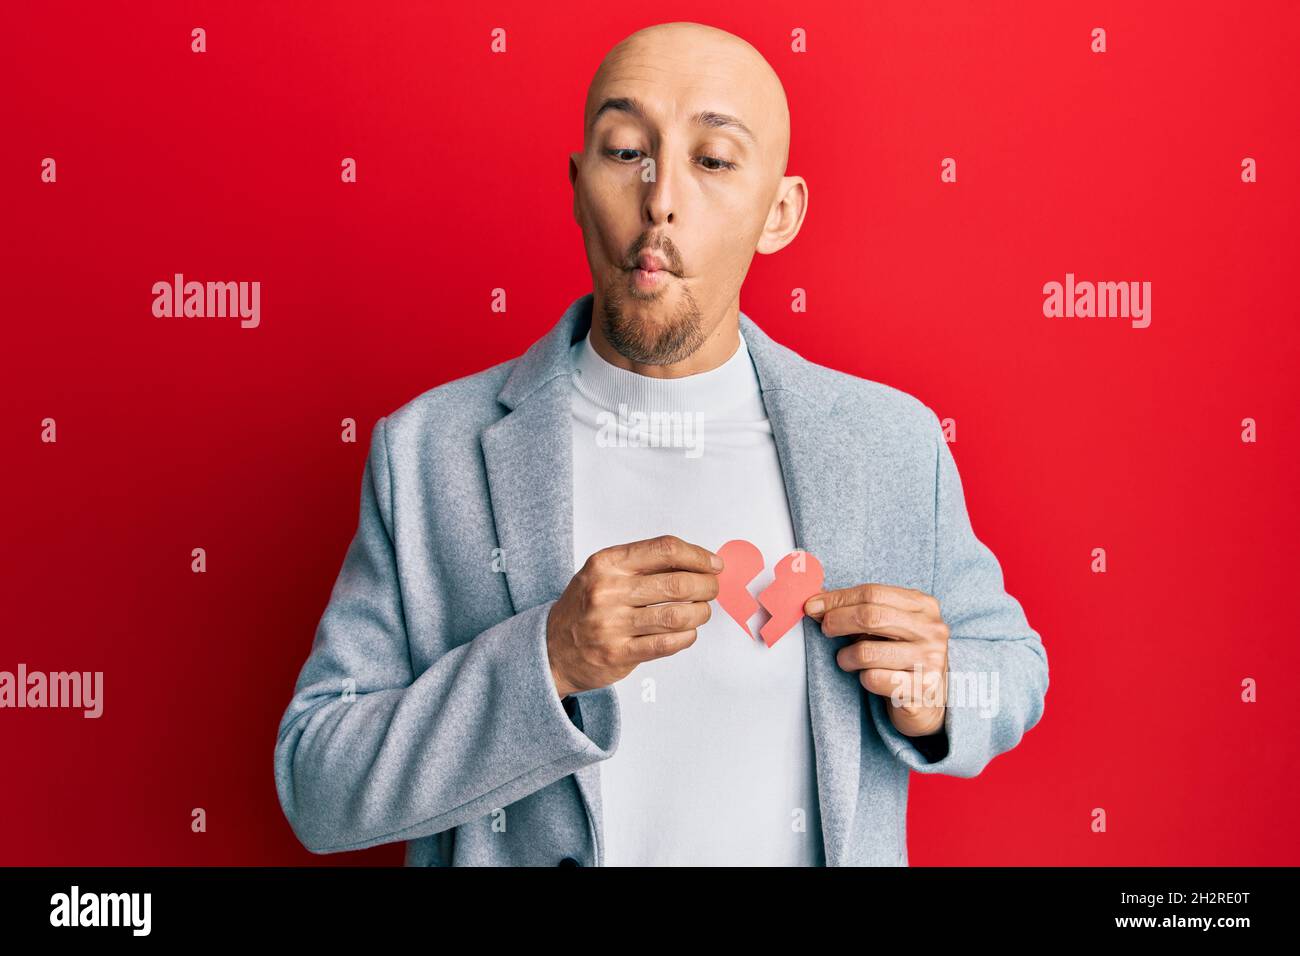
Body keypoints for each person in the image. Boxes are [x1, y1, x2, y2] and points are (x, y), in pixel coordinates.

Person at [273, 21, 1048, 866]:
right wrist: (548, 658)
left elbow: (1011, 670)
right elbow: (318, 785)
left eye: (712, 160)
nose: (659, 197)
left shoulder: (891, 442)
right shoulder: (427, 452)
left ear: (779, 213)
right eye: (623, 150)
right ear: (576, 187)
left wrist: (939, 692)